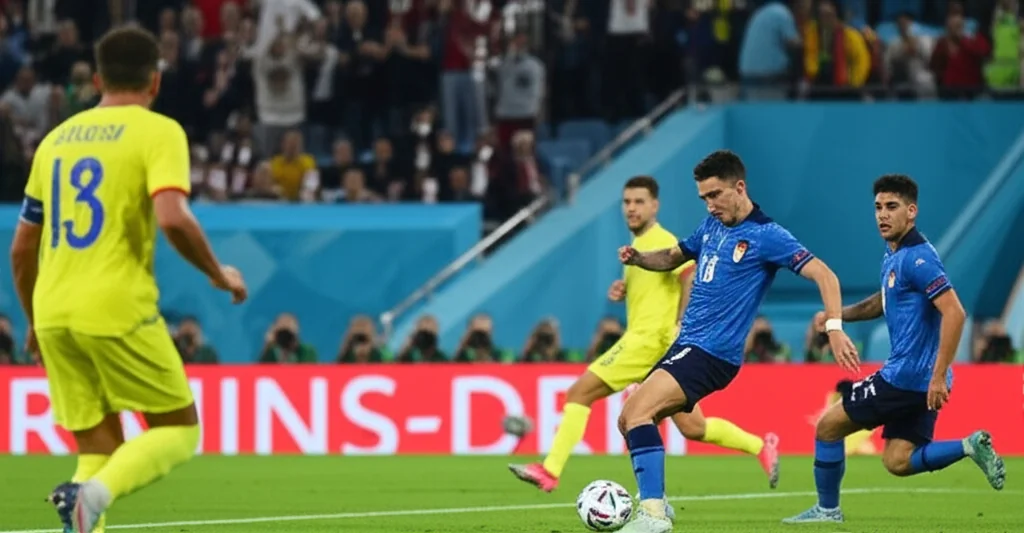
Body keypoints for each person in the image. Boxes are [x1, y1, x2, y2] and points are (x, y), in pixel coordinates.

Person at [9, 26, 247, 533]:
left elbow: (22, 247)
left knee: (99, 448)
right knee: (179, 433)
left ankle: (81, 505)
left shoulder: (54, 141)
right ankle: (88, 496)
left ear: (97, 80)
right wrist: (218, 274)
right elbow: (173, 217)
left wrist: (32, 320)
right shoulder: (158, 132)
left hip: (52, 311)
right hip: (114, 304)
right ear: (155, 82)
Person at [614, 151, 860, 533]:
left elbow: (825, 275)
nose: (710, 205)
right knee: (628, 420)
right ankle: (657, 502)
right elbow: (673, 256)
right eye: (704, 198)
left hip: (713, 352)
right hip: (687, 346)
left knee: (638, 414)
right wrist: (639, 259)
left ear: (739, 188)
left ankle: (654, 515)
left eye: (715, 195)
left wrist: (835, 327)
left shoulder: (767, 236)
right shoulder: (711, 228)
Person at [508, 175, 781, 498]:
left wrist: (681, 321)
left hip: (648, 341)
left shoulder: (660, 239)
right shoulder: (638, 246)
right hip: (663, 345)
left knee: (579, 394)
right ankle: (760, 446)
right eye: (627, 202)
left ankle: (551, 470)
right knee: (694, 428)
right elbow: (657, 288)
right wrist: (626, 289)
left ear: (655, 205)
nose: (631, 208)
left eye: (639, 202)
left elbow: (688, 276)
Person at [782, 175, 1005, 524]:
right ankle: (968, 446)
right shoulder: (895, 254)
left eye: (892, 207)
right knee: (897, 461)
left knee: (827, 427)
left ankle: (828, 510)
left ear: (911, 212)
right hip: (922, 382)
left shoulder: (918, 259)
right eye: (878, 208)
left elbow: (955, 313)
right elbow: (882, 301)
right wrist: (836, 316)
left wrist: (937, 376)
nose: (882, 215)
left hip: (904, 378)